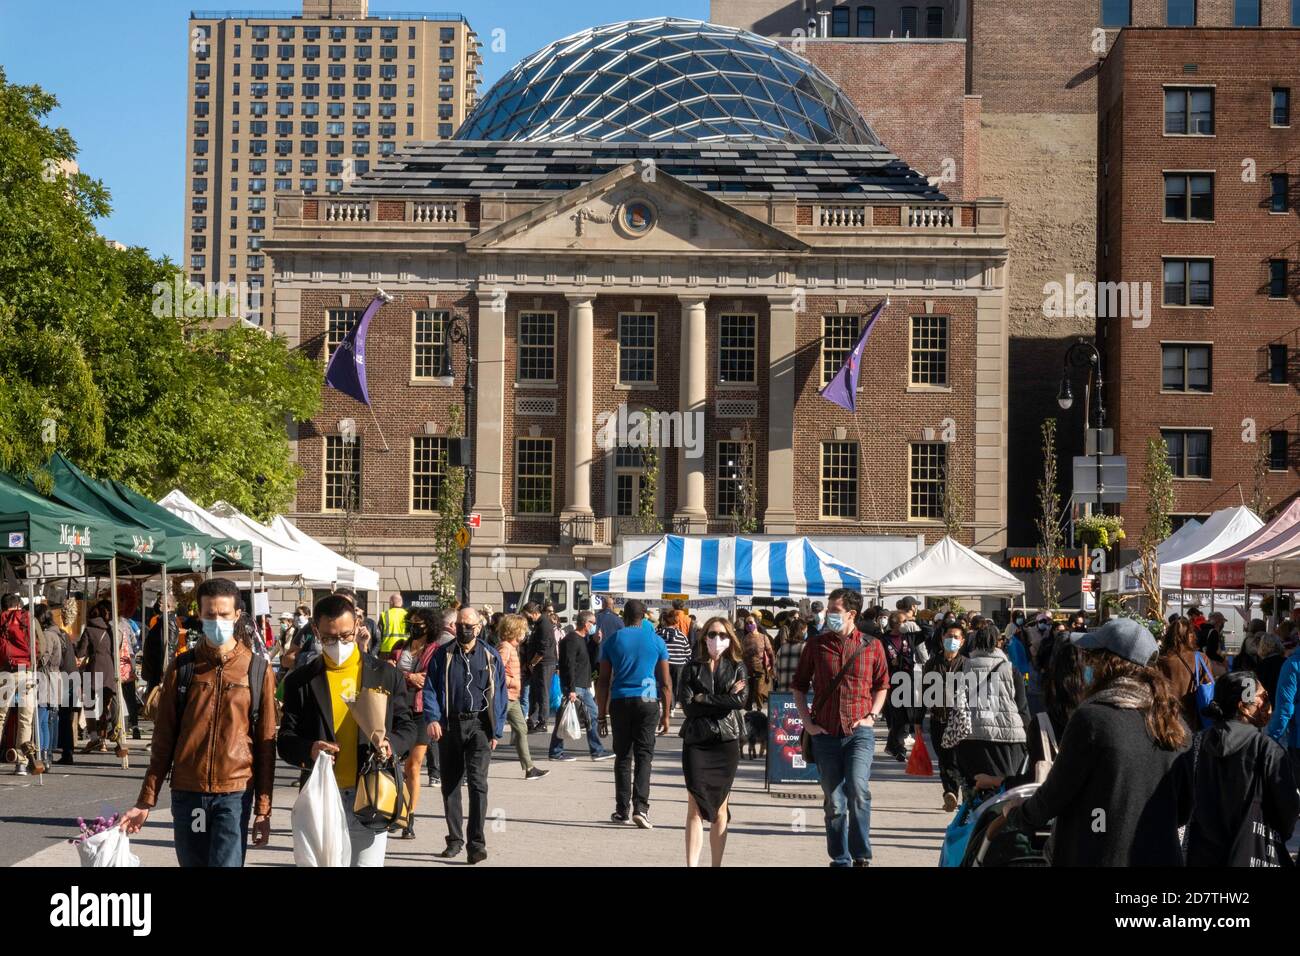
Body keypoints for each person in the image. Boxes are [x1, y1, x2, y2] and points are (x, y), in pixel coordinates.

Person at [996, 618, 1190, 866]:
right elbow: (1184, 808)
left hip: (1097, 856)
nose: (1087, 664)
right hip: (1161, 857)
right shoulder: (1175, 724)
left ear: (1106, 663)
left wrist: (1017, 812)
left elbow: (1055, 795)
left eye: (1091, 656)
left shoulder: (1093, 718)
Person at [119, 578, 277, 867]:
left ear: (237, 615)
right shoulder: (183, 666)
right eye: (210, 615)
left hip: (234, 792)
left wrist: (263, 810)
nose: (217, 621)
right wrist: (146, 800)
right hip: (188, 792)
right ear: (200, 616)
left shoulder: (256, 668)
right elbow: (163, 738)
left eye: (224, 614)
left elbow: (266, 742)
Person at [278, 592, 417, 867]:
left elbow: (407, 725)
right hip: (323, 794)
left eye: (345, 635)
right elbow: (285, 740)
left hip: (372, 792)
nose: (338, 643)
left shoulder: (385, 674)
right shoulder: (301, 681)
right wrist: (310, 749)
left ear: (357, 626)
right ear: (316, 631)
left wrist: (392, 744)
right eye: (329, 638)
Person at [792, 587, 889, 867]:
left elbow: (882, 685)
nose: (828, 615)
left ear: (851, 614)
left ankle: (861, 855)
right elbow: (798, 686)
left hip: (859, 733)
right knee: (835, 802)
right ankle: (840, 858)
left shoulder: (872, 646)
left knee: (858, 790)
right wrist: (807, 723)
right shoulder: (816, 645)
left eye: (834, 611)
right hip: (825, 734)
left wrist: (872, 715)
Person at [1183, 671, 1299, 866]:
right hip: (1253, 854)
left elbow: (1183, 802)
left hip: (1201, 856)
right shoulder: (1268, 750)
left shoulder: (1196, 743)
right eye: (1263, 697)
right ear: (1244, 707)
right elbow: (1287, 813)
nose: (1267, 704)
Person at [423, 606, 509, 864]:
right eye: (460, 624)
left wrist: (497, 729)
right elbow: (431, 688)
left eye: (468, 625)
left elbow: (501, 694)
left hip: (480, 726)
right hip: (450, 725)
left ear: (479, 627)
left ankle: (476, 843)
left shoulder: (490, 656)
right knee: (450, 785)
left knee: (478, 784)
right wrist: (432, 717)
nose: (463, 629)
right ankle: (455, 839)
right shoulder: (442, 655)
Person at [676, 617, 747, 867]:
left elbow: (740, 702)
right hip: (697, 741)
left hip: (726, 742)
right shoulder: (691, 667)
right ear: (704, 637)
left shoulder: (738, 667)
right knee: (694, 805)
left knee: (719, 808)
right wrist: (724, 698)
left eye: (723, 634)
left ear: (730, 638)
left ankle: (716, 865)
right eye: (713, 634)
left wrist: (703, 698)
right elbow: (687, 707)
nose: (718, 639)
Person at [596, 599, 673, 829]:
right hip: (648, 700)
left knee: (623, 756)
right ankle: (641, 808)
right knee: (644, 755)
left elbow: (602, 681)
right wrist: (666, 714)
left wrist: (601, 714)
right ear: (645, 616)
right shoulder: (656, 641)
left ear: (624, 617)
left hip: (620, 700)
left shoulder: (612, 641)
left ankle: (622, 811)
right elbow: (666, 682)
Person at [956, 622, 1031, 793]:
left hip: (970, 737)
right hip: (1008, 739)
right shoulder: (1010, 669)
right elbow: (1022, 707)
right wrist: (1029, 735)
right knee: (1006, 790)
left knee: (973, 790)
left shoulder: (963, 667)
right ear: (998, 642)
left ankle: (973, 818)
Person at [390, 607, 438, 839]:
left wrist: (403, 676)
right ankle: (393, 809)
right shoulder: (399, 647)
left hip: (421, 712)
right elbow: (389, 673)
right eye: (412, 622)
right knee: (392, 764)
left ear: (429, 626)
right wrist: (409, 677)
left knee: (413, 766)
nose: (414, 626)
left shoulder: (435, 650)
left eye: (419, 623)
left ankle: (408, 817)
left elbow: (428, 679)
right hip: (397, 711)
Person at [550, 611, 611, 762]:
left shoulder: (584, 639)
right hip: (575, 686)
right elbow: (569, 665)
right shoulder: (572, 640)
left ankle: (594, 750)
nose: (595, 626)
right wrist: (571, 689)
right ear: (586, 623)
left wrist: (596, 643)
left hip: (582, 685)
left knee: (587, 716)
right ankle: (559, 752)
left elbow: (590, 659)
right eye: (593, 623)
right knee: (574, 717)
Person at [496, 613, 548, 779]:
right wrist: (512, 681)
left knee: (521, 728)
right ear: (515, 631)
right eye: (523, 631)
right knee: (491, 733)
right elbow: (496, 671)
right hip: (504, 697)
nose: (525, 634)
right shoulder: (505, 647)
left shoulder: (511, 647)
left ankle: (529, 768)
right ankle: (471, 767)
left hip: (511, 698)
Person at [922, 622, 968, 810]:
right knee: (945, 759)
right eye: (949, 636)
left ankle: (965, 794)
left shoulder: (967, 664)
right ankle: (950, 792)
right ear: (942, 638)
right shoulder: (932, 664)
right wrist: (917, 720)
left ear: (962, 641)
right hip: (938, 719)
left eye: (956, 637)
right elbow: (923, 691)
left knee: (962, 758)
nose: (952, 640)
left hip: (960, 721)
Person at [77, 600, 120, 754]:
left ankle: (94, 738)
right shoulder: (111, 630)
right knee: (104, 708)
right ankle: (102, 742)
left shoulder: (89, 630)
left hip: (93, 669)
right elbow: (116, 650)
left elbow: (81, 653)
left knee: (89, 705)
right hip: (109, 668)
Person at [1157, 615, 1213, 729]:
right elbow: (1208, 684)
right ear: (1190, 636)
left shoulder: (1161, 659)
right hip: (1193, 714)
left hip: (1167, 712)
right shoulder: (1201, 658)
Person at [880, 611, 916, 761]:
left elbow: (927, 633)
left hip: (907, 678)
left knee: (907, 715)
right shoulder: (884, 639)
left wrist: (915, 620)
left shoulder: (908, 637)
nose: (907, 623)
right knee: (897, 715)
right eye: (904, 621)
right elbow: (881, 661)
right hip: (892, 681)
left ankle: (893, 745)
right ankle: (898, 747)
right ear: (895, 623)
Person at [522, 602, 558, 733]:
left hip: (544, 664)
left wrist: (532, 663)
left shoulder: (544, 625)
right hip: (538, 664)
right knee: (535, 693)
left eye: (527, 615)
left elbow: (542, 650)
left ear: (534, 613)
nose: (526, 618)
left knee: (543, 693)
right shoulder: (538, 624)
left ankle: (543, 722)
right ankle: (533, 719)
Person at [740, 615, 776, 714]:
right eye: (747, 623)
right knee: (749, 693)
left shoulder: (763, 637)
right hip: (748, 670)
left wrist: (772, 669)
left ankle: (759, 712)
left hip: (761, 669)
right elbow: (741, 655)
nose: (749, 625)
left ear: (756, 623)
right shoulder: (744, 639)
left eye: (751, 622)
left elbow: (770, 654)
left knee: (759, 692)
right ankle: (749, 714)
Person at [774, 617, 808, 693]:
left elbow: (775, 672)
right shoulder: (807, 648)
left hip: (784, 693)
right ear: (802, 631)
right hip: (802, 694)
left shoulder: (781, 649)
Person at [378, 592, 408, 658]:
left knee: (385, 668)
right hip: (403, 650)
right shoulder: (407, 615)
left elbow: (378, 635)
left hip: (386, 650)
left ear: (391, 602)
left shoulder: (384, 615)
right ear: (402, 603)